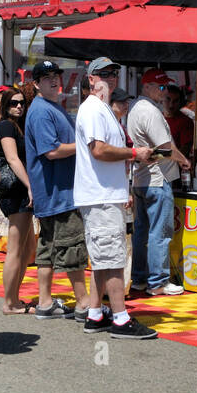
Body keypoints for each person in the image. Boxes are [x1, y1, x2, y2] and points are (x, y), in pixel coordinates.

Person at [75, 56, 158, 339]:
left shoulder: (101, 108)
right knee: (112, 258)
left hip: (104, 193)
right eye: (104, 74)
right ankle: (121, 318)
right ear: (91, 78)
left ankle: (96, 313)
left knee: (104, 256)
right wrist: (135, 154)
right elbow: (98, 150)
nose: (111, 78)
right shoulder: (93, 108)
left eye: (114, 73)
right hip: (101, 195)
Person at [25, 60, 93, 320]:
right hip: (59, 192)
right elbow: (51, 151)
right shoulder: (43, 110)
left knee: (48, 249)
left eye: (56, 75)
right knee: (72, 246)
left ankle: (44, 302)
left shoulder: (49, 107)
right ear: (36, 84)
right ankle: (84, 303)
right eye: (46, 77)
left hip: (52, 192)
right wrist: (84, 145)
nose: (54, 80)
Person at [128, 69, 192, 296]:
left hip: (141, 177)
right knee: (159, 232)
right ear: (147, 87)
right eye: (161, 87)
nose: (164, 92)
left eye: (165, 87)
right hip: (157, 177)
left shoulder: (135, 108)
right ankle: (157, 281)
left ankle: (139, 278)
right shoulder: (150, 111)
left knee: (142, 232)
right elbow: (165, 147)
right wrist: (183, 160)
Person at [0, 87, 36, 315]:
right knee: (17, 249)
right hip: (16, 191)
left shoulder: (17, 125)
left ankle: (14, 298)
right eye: (13, 103)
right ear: (5, 105)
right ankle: (9, 302)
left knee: (27, 248)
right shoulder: (6, 125)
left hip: (19, 190)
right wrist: (30, 187)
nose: (19, 106)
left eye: (22, 103)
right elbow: (12, 158)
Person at [164, 85, 194, 166]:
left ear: (180, 102)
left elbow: (185, 148)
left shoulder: (185, 121)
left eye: (175, 101)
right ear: (162, 99)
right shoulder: (155, 118)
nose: (171, 105)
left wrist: (158, 156)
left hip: (175, 168)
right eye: (168, 99)